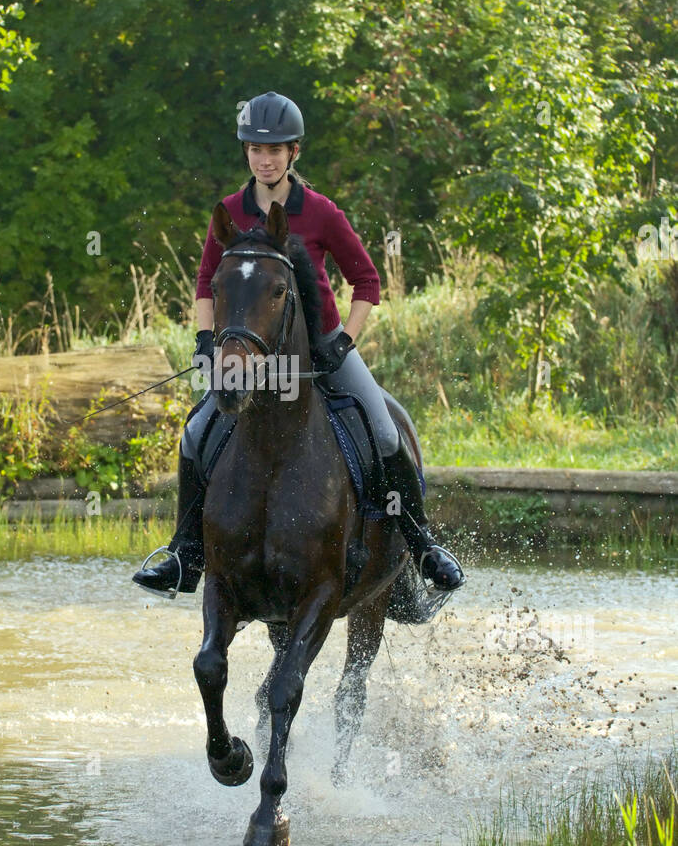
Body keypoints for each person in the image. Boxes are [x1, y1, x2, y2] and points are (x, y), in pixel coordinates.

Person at [133, 91, 464, 595]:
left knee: (385, 430)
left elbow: (367, 282)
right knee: (196, 431)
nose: (264, 160)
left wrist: (344, 342)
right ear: (246, 153)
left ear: (293, 154)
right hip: (247, 352)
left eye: (275, 150)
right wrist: (205, 339)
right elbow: (206, 283)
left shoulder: (321, 212)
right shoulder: (227, 212)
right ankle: (184, 555)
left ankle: (422, 546)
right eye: (255, 150)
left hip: (322, 349)